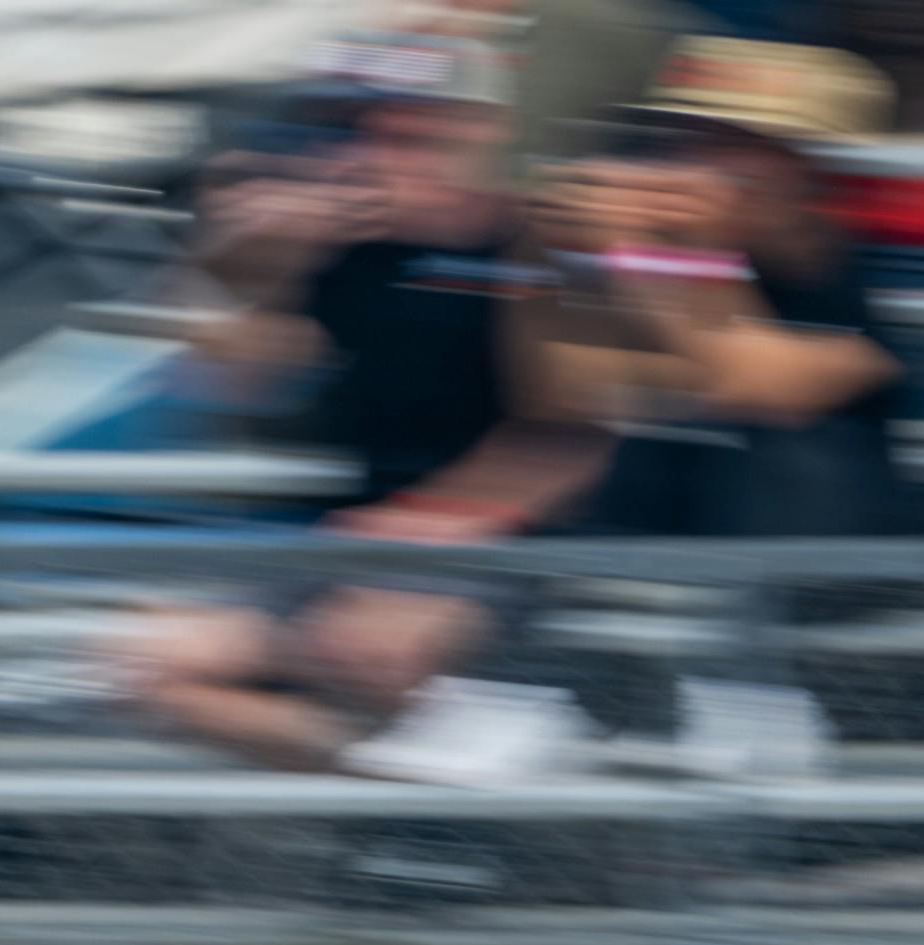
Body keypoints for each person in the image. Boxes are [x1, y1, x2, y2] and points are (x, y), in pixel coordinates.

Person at [116, 59, 614, 777]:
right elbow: (226, 377)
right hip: (362, 541)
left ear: (480, 136)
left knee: (371, 648)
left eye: (410, 137)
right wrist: (249, 258)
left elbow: (574, 441)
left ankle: (465, 779)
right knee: (151, 663)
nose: (369, 158)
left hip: (516, 540)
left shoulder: (536, 245)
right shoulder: (347, 249)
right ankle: (428, 773)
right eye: (359, 135)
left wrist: (433, 521)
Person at [516, 40, 924, 548]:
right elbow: (560, 389)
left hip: (805, 579)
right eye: (690, 140)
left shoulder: (862, 277)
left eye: (737, 145)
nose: (700, 166)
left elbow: (756, 386)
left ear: (812, 173)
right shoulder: (676, 260)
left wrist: (644, 251)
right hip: (647, 553)